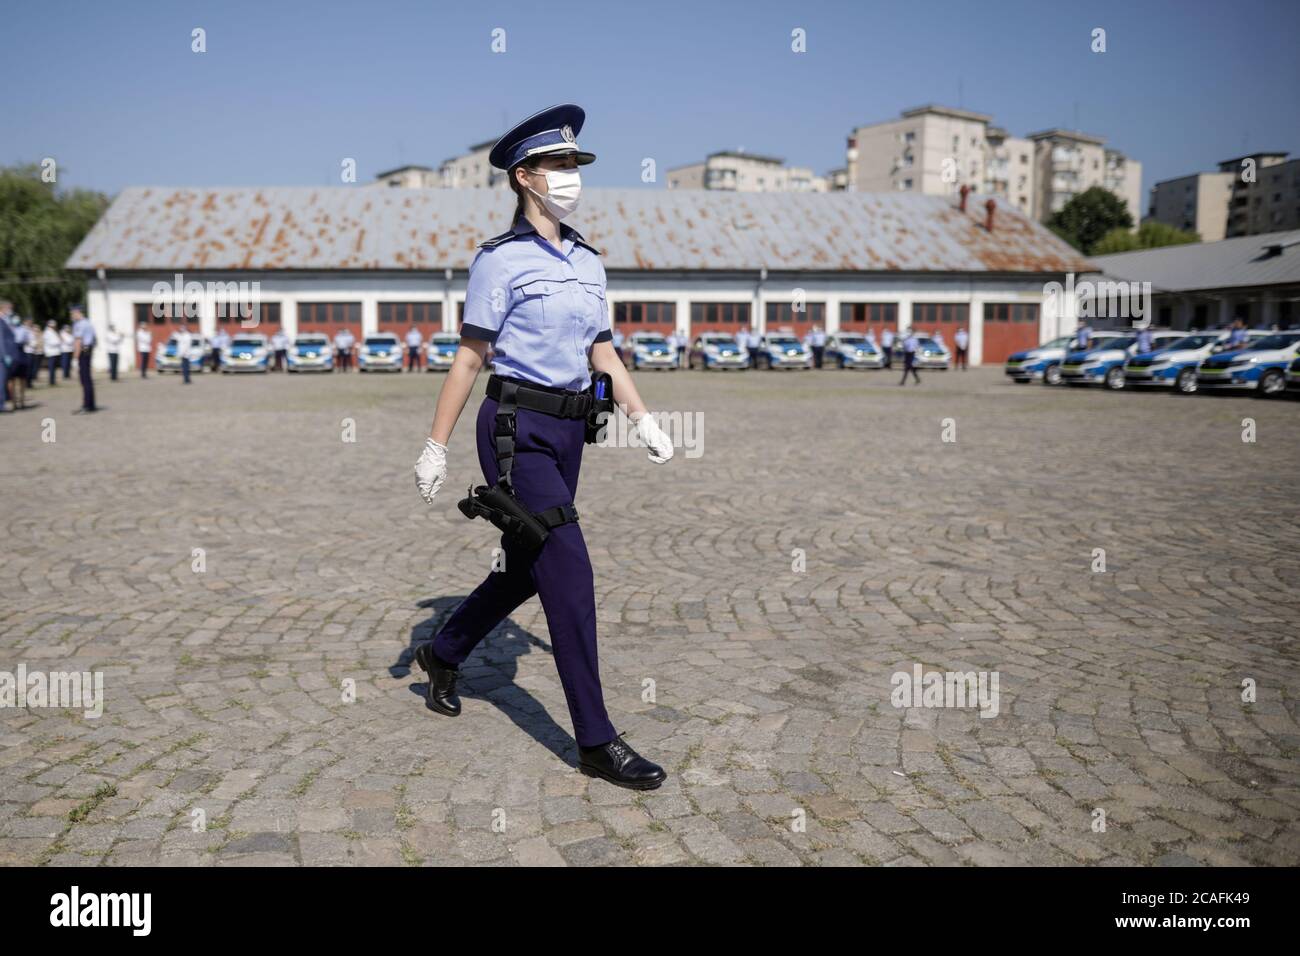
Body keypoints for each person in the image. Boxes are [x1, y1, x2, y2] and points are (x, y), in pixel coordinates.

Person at [412, 104, 671, 790]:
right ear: (524, 176)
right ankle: (594, 738)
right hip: (514, 429)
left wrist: (643, 416)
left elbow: (601, 348)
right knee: (572, 568)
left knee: (532, 565)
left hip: (569, 430)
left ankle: (443, 650)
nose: (570, 175)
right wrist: (435, 446)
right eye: (558, 165)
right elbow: (470, 359)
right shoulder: (498, 261)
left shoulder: (588, 261)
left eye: (575, 164)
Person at [70, 307, 97, 413]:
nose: (71, 316)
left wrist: (75, 359)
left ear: (77, 313)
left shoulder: (79, 324)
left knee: (84, 380)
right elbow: (94, 339)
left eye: (72, 313)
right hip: (88, 351)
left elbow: (78, 341)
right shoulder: (88, 323)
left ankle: (86, 405)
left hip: (83, 352)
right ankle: (91, 404)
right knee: (88, 380)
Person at [0, 302, 18, 412]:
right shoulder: (1, 321)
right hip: (2, 357)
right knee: (1, 381)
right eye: (9, 308)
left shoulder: (5, 321)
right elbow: (1, 340)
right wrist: (5, 355)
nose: (10, 310)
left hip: (4, 356)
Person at [24, 317, 41, 389]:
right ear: (25, 322)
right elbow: (25, 340)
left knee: (31, 368)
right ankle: (27, 383)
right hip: (27, 351)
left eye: (31, 322)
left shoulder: (31, 330)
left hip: (32, 351)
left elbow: (34, 339)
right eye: (29, 321)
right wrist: (33, 344)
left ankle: (29, 382)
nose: (30, 323)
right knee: (28, 368)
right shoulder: (24, 329)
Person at [44, 321, 62, 386]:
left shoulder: (53, 332)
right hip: (51, 352)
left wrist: (58, 341)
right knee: (51, 368)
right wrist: (58, 342)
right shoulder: (47, 332)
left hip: (55, 352)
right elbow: (50, 343)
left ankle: (53, 381)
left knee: (54, 368)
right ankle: (51, 381)